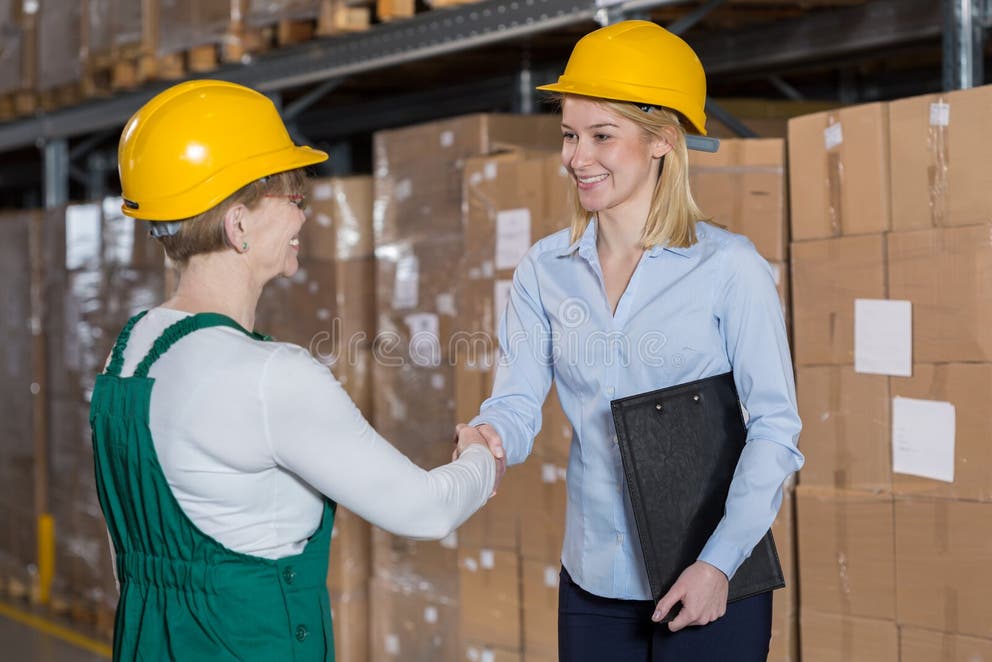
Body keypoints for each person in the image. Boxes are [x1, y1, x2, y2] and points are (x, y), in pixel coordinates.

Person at [90, 79, 499, 661]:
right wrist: (482, 456)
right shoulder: (268, 377)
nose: (303, 217)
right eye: (292, 199)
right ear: (238, 225)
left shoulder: (129, 351)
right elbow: (426, 509)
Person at [454, 20, 803, 661]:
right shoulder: (544, 270)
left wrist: (720, 563)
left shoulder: (730, 268)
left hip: (708, 581)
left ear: (662, 142)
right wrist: (491, 435)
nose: (575, 157)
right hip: (592, 582)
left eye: (601, 136)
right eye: (568, 135)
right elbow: (518, 400)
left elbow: (776, 428)